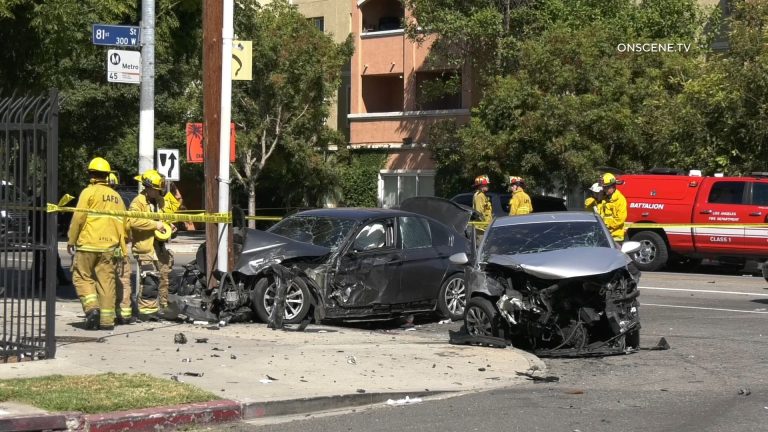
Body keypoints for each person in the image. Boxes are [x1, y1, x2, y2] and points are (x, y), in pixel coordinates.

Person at [67, 157, 126, 330]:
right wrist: (122, 248)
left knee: (81, 276)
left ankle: (92, 309)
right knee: (106, 282)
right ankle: (107, 322)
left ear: (91, 174)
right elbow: (124, 223)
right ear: (107, 175)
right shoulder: (117, 197)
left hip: (88, 243)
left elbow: (79, 218)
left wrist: (71, 239)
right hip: (109, 247)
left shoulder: (88, 192)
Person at [127, 169, 174, 318]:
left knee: (164, 277)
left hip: (159, 247)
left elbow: (164, 218)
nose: (159, 192)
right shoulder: (138, 202)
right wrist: (155, 225)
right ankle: (147, 311)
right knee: (149, 279)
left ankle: (163, 307)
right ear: (147, 187)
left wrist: (169, 226)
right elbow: (132, 221)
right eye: (156, 189)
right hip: (144, 247)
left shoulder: (160, 201)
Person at [107, 173, 137, 324]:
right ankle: (124, 314)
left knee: (104, 281)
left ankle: (106, 313)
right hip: (119, 247)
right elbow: (127, 226)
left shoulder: (92, 197)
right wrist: (127, 239)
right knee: (123, 281)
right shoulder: (119, 201)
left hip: (101, 248)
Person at [596, 173, 627, 244]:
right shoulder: (603, 198)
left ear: (612, 186)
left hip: (615, 238)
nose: (604, 189)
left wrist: (605, 225)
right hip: (604, 236)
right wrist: (598, 200)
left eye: (605, 187)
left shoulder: (620, 200)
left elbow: (620, 219)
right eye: (603, 187)